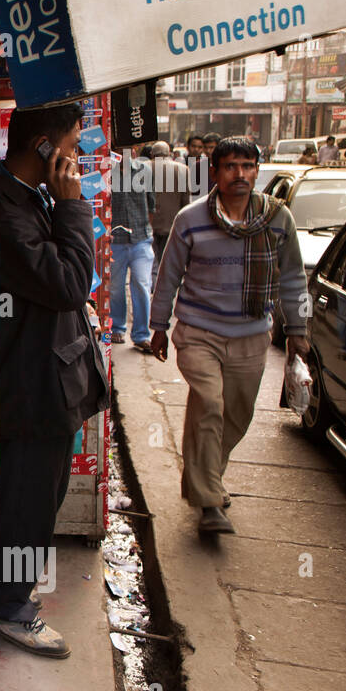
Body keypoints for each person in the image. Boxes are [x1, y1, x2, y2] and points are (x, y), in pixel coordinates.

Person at [0, 103, 109, 657]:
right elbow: (69, 282)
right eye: (72, 141)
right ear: (44, 146)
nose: (78, 153)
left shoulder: (26, 198)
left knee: (41, 495)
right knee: (27, 500)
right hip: (31, 386)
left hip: (48, 379)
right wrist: (74, 205)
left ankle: (13, 596)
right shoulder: (8, 211)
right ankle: (11, 607)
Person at [149, 138, 308, 534]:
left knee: (237, 415)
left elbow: (292, 278)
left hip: (252, 336)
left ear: (257, 170)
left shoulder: (277, 219)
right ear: (215, 173)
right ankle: (209, 503)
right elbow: (168, 275)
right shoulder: (190, 219)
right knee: (209, 404)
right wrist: (158, 326)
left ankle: (206, 479)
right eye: (231, 166)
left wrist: (298, 331)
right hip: (199, 333)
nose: (240, 174)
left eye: (248, 166)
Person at [109, 142, 157, 352]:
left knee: (141, 285)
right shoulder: (107, 172)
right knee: (116, 288)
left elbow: (151, 202)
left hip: (141, 239)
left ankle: (141, 334)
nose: (127, 153)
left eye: (131, 149)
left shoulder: (144, 170)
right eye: (120, 150)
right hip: (116, 241)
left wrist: (147, 230)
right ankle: (118, 327)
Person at [147, 140, 191, 289]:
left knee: (152, 257)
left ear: (152, 154)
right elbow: (186, 200)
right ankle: (166, 284)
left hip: (148, 221)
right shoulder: (183, 169)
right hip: (172, 221)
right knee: (168, 256)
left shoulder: (143, 168)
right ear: (169, 153)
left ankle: (153, 284)